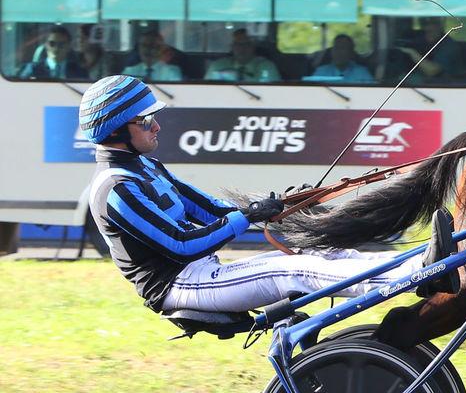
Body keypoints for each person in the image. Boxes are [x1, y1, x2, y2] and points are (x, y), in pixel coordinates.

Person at [79, 75, 420, 315]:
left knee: (319, 253)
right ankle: (411, 277)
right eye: (146, 120)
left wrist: (275, 205)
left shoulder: (147, 167)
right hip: (179, 285)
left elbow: (211, 210)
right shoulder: (115, 189)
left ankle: (414, 263)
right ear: (116, 131)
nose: (156, 126)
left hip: (202, 273)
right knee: (293, 270)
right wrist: (247, 216)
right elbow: (181, 246)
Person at [205, 29, 279, 83]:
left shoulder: (267, 67)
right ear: (232, 46)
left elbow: (274, 92)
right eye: (238, 44)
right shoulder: (218, 66)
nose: (242, 48)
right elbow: (206, 90)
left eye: (247, 44)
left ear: (253, 46)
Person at [18, 27, 88, 80]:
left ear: (68, 46)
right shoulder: (32, 70)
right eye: (52, 44)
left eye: (61, 44)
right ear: (46, 45)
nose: (56, 48)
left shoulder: (79, 72)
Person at [303, 34, 373, 83]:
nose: (338, 52)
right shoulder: (321, 72)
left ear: (351, 53)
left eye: (343, 48)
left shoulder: (362, 73)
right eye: (336, 48)